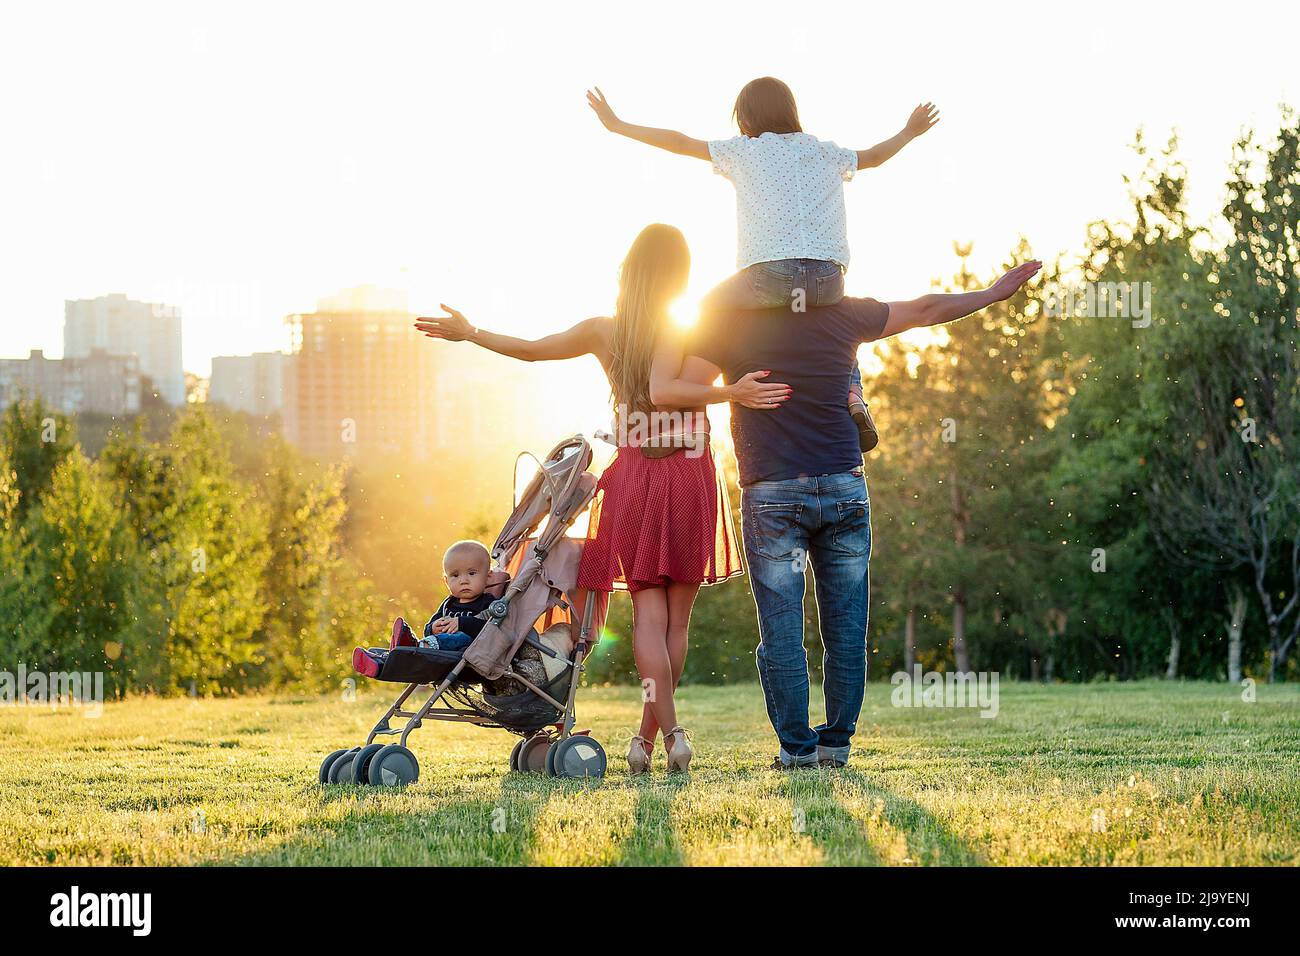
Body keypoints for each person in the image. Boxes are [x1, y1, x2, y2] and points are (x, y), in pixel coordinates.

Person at [415, 223, 777, 774]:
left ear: (627, 273)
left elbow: (532, 351)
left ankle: (653, 741)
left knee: (646, 619)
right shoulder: (690, 329)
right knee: (676, 624)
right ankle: (655, 737)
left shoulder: (603, 331)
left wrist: (473, 332)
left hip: (633, 478)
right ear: (680, 276)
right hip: (687, 474)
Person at [668, 259, 1042, 769]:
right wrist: (991, 294)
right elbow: (926, 308)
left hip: (773, 492)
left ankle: (798, 752)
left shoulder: (726, 317)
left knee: (781, 633)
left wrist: (729, 392)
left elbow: (682, 389)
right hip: (844, 485)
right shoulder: (845, 312)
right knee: (846, 631)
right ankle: (835, 746)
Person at [586, 77, 939, 449]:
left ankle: (662, 401)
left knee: (698, 311)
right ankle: (853, 392)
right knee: (840, 322)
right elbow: (873, 157)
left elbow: (679, 142)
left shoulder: (745, 151)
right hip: (827, 279)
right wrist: (909, 131)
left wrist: (618, 125)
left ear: (747, 118)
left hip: (768, 276)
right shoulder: (824, 152)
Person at [351, 540, 506, 678]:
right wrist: (433, 628)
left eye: (472, 573)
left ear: (488, 576)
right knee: (409, 652)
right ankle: (378, 665)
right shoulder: (448, 604)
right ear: (446, 581)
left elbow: (490, 630)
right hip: (438, 655)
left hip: (464, 655)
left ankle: (410, 647)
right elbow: (428, 630)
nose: (463, 581)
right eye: (455, 575)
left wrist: (461, 623)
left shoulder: (488, 603)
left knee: (459, 637)